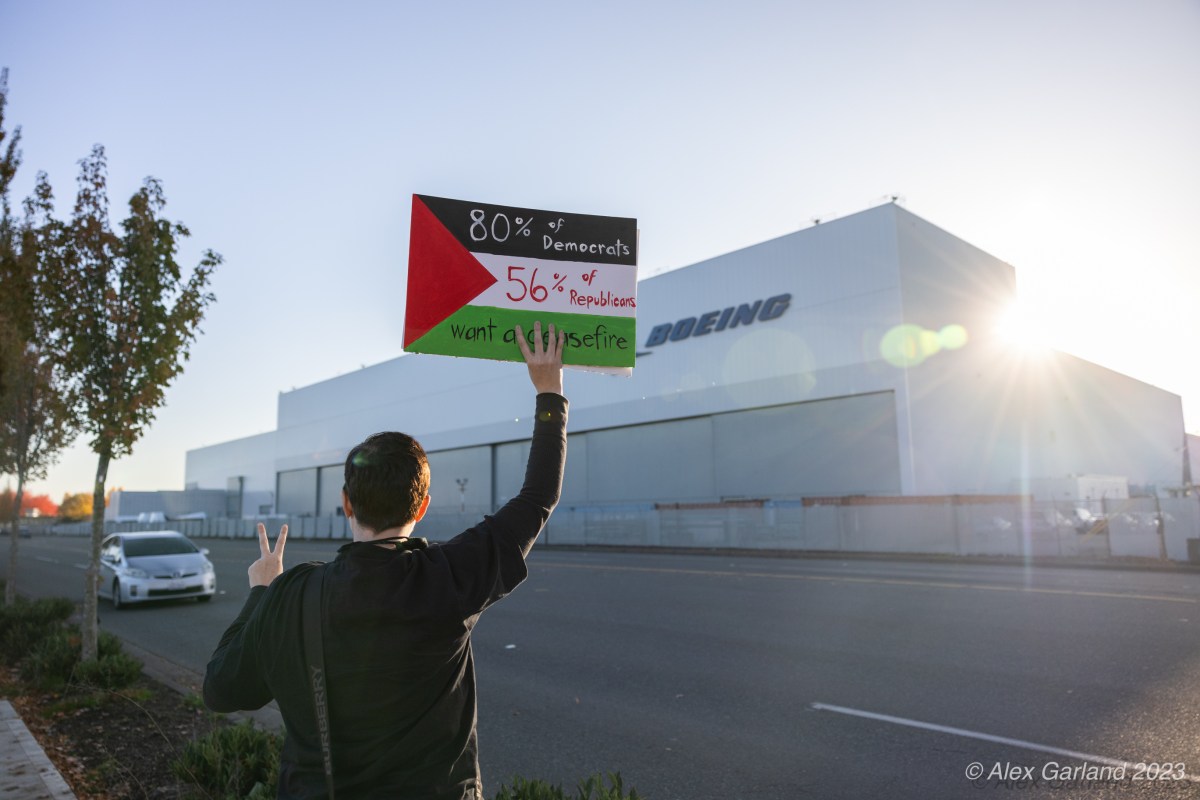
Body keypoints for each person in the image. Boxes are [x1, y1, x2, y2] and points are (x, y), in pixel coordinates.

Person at [203, 322, 568, 799]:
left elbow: (224, 691)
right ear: (421, 507)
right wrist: (549, 392)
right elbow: (538, 497)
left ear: (346, 503)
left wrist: (261, 592)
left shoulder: (291, 594)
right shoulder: (449, 577)